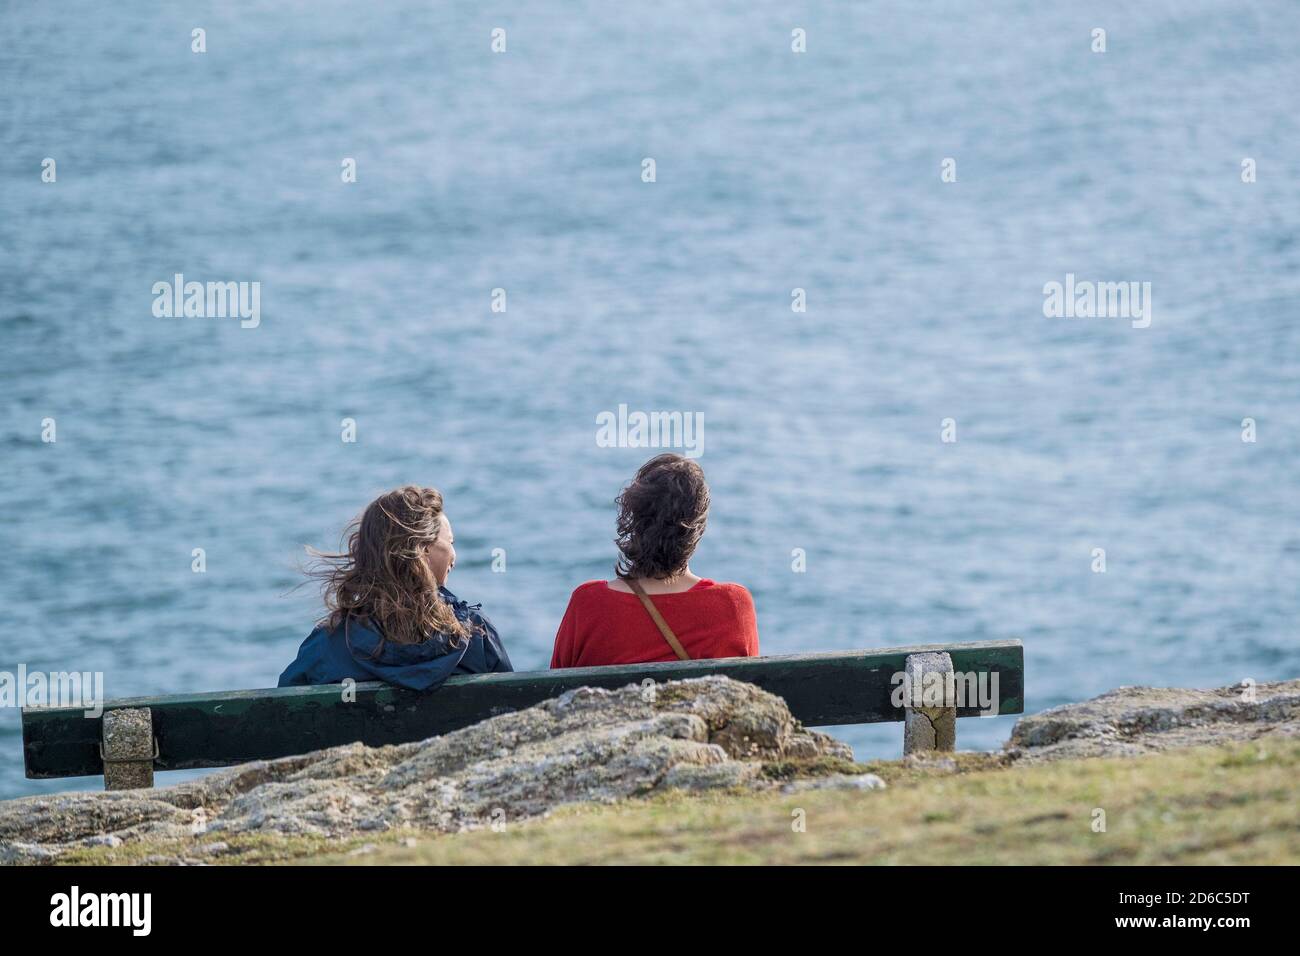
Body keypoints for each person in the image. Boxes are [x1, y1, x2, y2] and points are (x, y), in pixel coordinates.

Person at [279, 485, 511, 690]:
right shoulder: (475, 635)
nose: (454, 556)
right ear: (423, 549)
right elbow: (514, 707)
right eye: (450, 542)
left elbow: (284, 711)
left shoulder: (327, 644)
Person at [551, 453, 759, 668]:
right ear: (698, 530)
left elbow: (553, 691)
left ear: (632, 521)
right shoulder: (734, 605)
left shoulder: (588, 604)